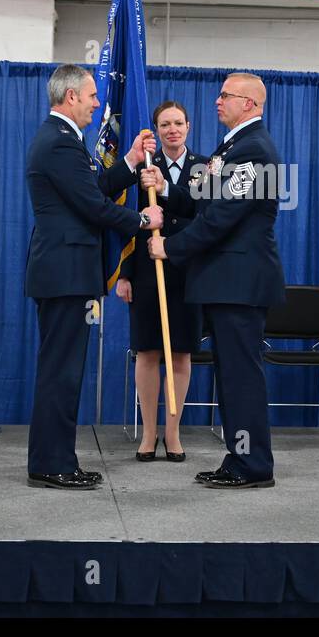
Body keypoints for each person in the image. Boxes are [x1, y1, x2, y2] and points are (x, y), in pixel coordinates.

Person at [144, 73, 285, 489]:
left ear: (251, 104)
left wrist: (172, 247)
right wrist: (164, 188)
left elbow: (224, 216)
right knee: (230, 375)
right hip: (224, 280)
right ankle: (238, 458)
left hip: (240, 280)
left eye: (227, 95)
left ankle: (254, 464)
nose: (218, 101)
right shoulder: (231, 147)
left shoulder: (256, 151)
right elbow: (201, 200)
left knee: (241, 376)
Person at [26, 64, 163, 490]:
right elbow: (92, 205)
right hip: (65, 274)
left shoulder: (66, 140)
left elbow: (98, 185)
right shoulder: (60, 143)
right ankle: (52, 464)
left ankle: (56, 458)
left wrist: (132, 160)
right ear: (70, 97)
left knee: (64, 369)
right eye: (90, 96)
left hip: (68, 273)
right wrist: (142, 219)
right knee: (61, 371)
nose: (97, 103)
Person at [116, 100, 207, 462]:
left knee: (181, 351)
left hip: (187, 269)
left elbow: (206, 218)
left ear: (188, 126)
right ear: (157, 130)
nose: (172, 129)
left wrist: (172, 241)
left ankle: (173, 432)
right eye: (165, 124)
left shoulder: (205, 168)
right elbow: (125, 221)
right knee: (148, 349)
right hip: (145, 269)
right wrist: (124, 274)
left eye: (178, 123)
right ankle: (148, 433)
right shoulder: (143, 168)